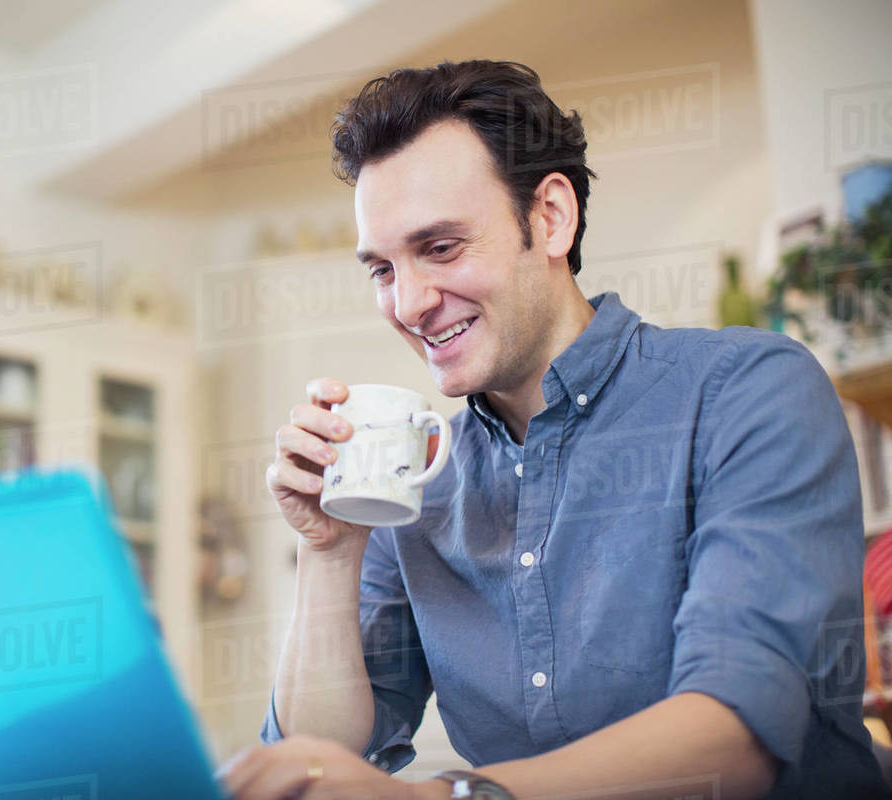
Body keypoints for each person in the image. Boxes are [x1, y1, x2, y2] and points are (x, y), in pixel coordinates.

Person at [217, 60, 889, 799]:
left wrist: (449, 797)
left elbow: (737, 733)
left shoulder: (747, 392)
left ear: (551, 218)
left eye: (440, 248)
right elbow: (319, 763)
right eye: (382, 268)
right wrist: (330, 549)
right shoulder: (420, 479)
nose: (408, 303)